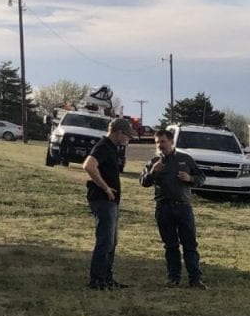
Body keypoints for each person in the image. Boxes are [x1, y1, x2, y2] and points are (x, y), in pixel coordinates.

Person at [141, 128, 207, 288]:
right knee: (170, 245)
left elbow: (202, 177)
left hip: (183, 207)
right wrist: (152, 172)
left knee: (190, 244)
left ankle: (195, 279)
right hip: (163, 208)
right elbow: (143, 182)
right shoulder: (154, 162)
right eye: (157, 142)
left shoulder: (185, 159)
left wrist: (190, 178)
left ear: (171, 142)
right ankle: (173, 278)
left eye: (163, 142)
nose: (160, 145)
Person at [83, 117, 134, 290]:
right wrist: (105, 188)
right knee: (105, 241)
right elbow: (89, 166)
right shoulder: (103, 146)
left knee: (112, 241)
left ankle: (106, 278)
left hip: (111, 202)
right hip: (103, 200)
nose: (128, 139)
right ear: (119, 132)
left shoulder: (112, 148)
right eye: (127, 136)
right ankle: (97, 280)